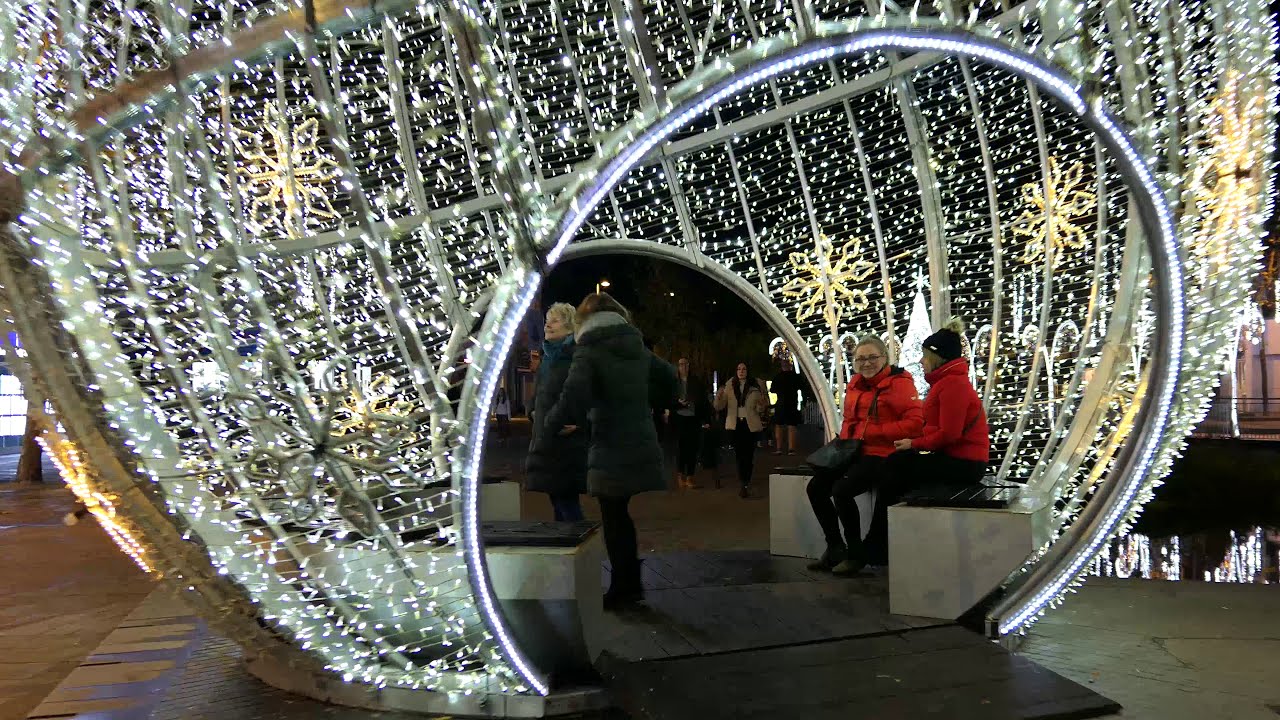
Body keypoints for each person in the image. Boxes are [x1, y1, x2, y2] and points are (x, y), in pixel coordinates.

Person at [545, 293, 677, 610]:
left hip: (610, 442)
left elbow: (574, 395)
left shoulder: (589, 348)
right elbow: (670, 380)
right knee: (619, 513)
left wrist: (551, 423)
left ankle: (625, 586)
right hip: (639, 438)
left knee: (613, 515)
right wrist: (646, 401)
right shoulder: (636, 347)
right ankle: (629, 582)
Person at [807, 336, 922, 575]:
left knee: (842, 490)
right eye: (860, 358)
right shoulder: (855, 383)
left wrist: (874, 432)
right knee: (816, 487)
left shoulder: (900, 383)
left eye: (872, 357)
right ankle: (835, 547)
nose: (866, 363)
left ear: (884, 358)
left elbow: (915, 424)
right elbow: (850, 419)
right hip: (855, 451)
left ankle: (856, 554)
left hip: (883, 454)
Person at [891, 317, 991, 495]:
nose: (921, 361)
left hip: (965, 463)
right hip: (959, 459)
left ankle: (890, 520)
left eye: (925, 357)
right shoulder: (947, 382)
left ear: (937, 358)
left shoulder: (952, 385)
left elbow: (949, 434)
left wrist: (914, 444)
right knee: (898, 462)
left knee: (896, 466)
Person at [526, 303, 587, 522]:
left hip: (566, 443)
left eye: (555, 320)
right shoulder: (547, 358)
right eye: (547, 320)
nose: (548, 325)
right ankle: (567, 552)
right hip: (546, 441)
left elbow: (591, 393)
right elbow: (541, 393)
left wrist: (581, 423)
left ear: (570, 326)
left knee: (566, 504)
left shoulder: (576, 357)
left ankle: (580, 551)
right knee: (558, 502)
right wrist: (531, 409)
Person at [714, 363, 770, 499]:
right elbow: (719, 406)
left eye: (744, 369)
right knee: (739, 454)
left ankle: (746, 481)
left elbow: (762, 407)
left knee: (749, 454)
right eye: (738, 369)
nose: (741, 371)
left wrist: (761, 405)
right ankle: (743, 482)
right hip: (736, 424)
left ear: (748, 370)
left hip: (750, 423)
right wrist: (719, 396)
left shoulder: (756, 385)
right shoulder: (730, 385)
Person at [673, 358, 711, 489]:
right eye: (681, 364)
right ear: (678, 367)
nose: (683, 367)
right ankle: (680, 475)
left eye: (686, 364)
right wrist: (678, 403)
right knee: (681, 448)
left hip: (693, 418)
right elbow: (668, 398)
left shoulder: (695, 381)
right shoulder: (674, 382)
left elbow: (704, 400)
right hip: (679, 418)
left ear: (689, 366)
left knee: (692, 448)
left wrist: (706, 419)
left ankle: (690, 476)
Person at [770, 358, 806, 455]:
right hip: (792, 403)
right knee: (792, 426)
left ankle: (779, 448)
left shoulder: (778, 377)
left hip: (780, 403)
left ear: (782, 367)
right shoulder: (796, 377)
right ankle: (791, 449)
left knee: (779, 425)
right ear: (791, 366)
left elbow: (772, 390)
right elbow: (803, 387)